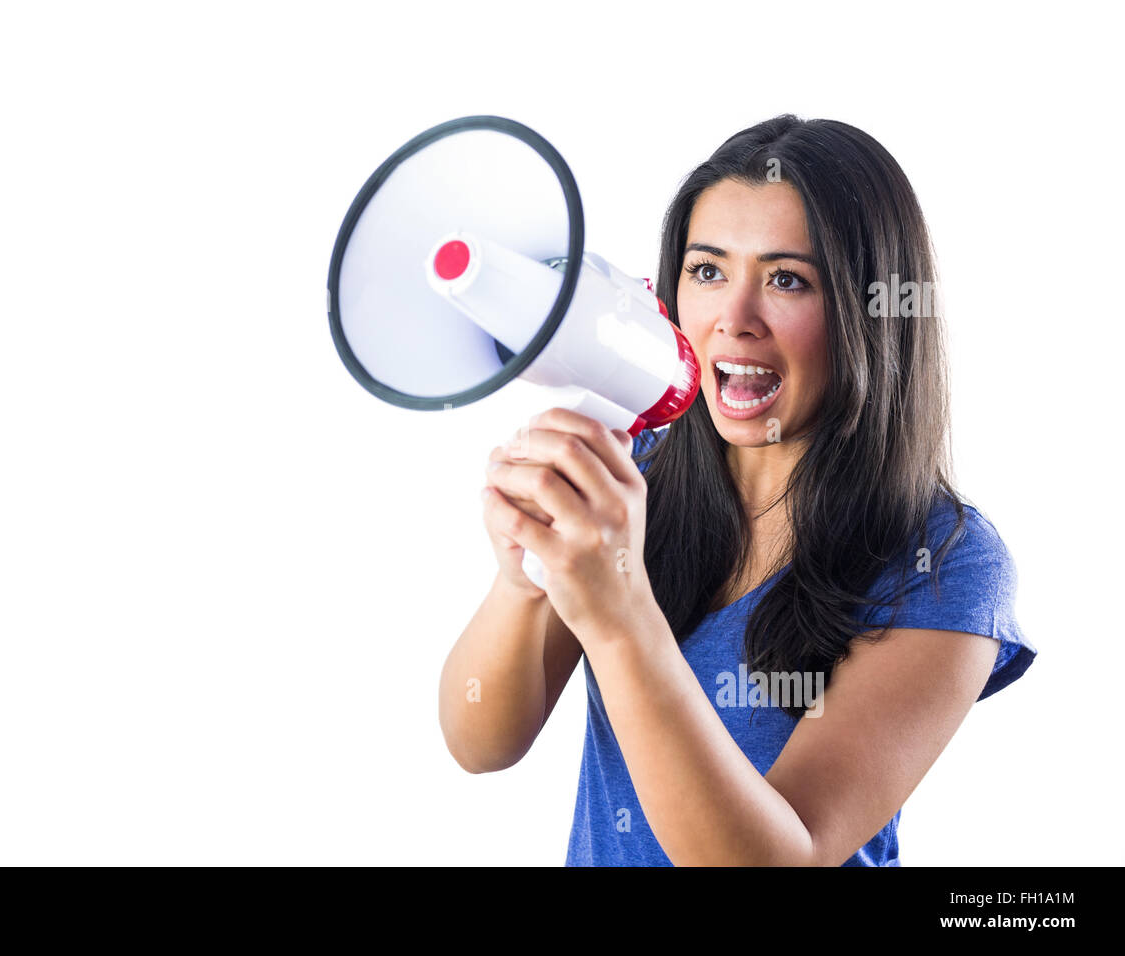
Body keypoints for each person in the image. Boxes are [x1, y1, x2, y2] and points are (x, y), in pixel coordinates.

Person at [437, 114, 1036, 866]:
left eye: (787, 280)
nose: (734, 320)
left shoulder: (946, 564)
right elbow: (481, 741)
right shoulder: (637, 482)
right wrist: (520, 580)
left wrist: (620, 615)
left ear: (871, 312)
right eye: (708, 271)